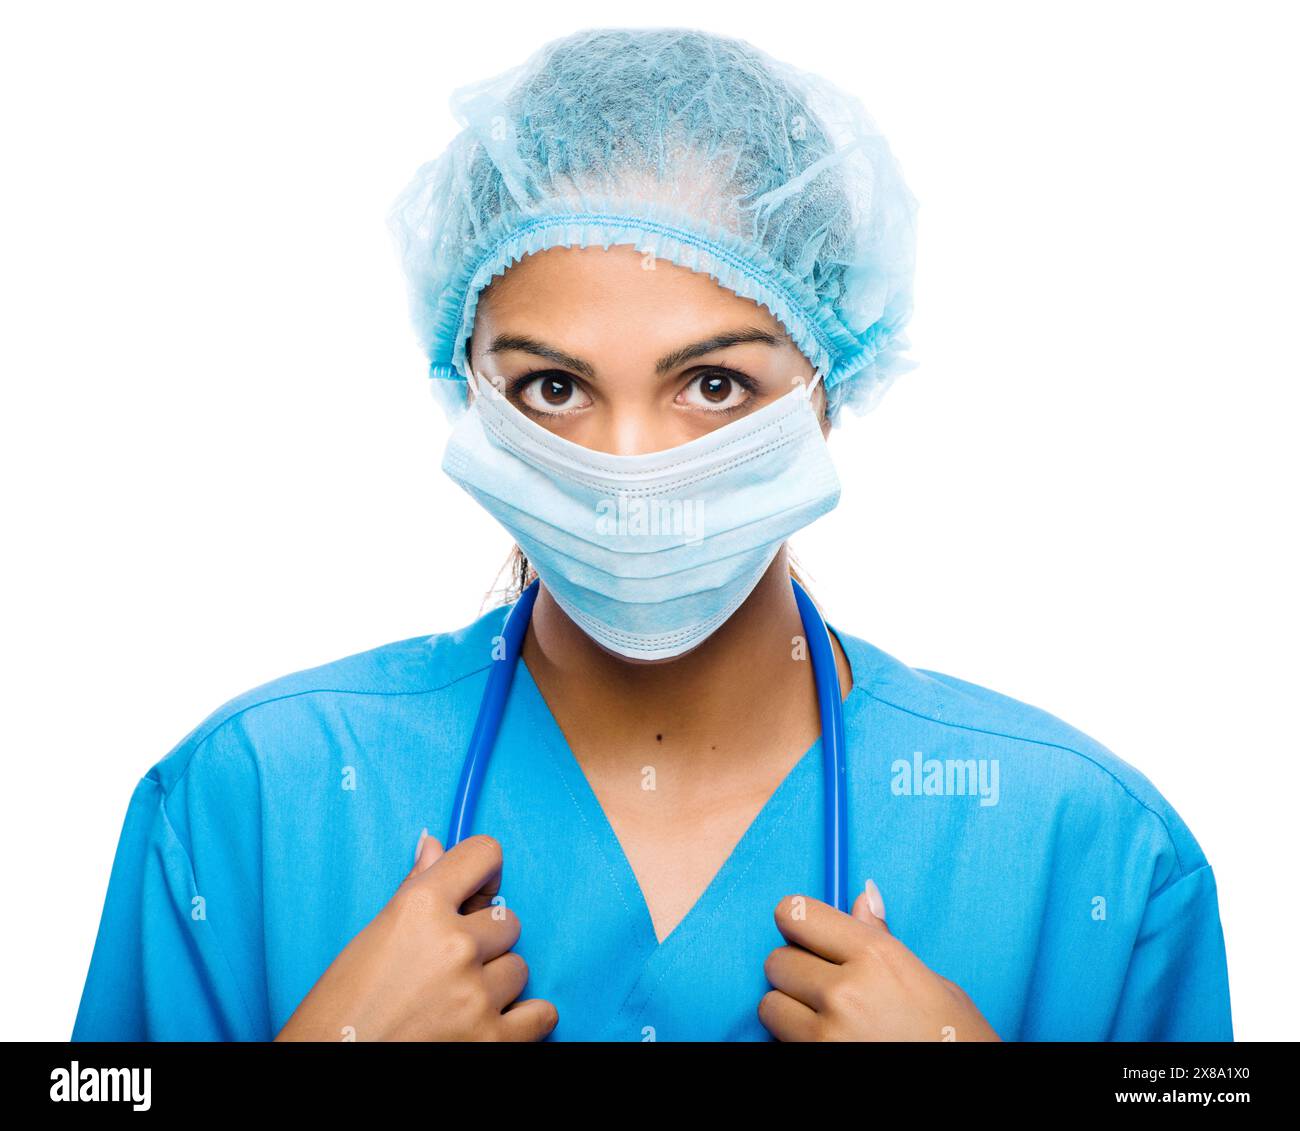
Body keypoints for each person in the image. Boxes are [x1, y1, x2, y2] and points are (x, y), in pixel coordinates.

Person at [71, 26, 1232, 1042]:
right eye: (553, 389)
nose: (630, 468)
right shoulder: (247, 803)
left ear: (828, 382)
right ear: (466, 388)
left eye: (713, 384)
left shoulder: (1087, 852)